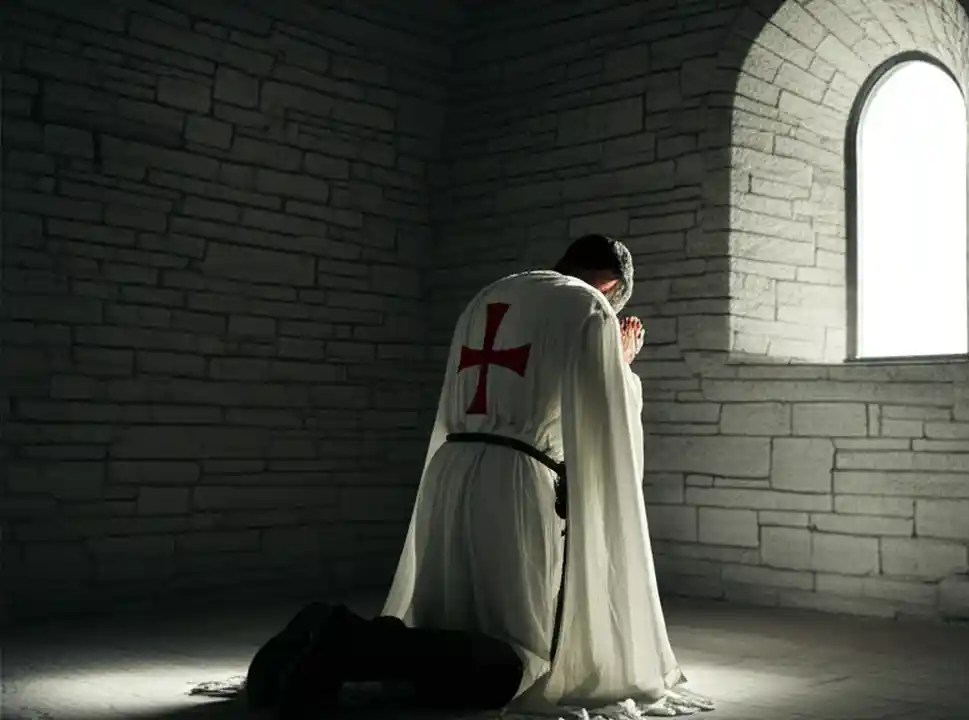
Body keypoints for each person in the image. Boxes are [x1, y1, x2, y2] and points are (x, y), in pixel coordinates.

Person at [245, 234, 690, 718]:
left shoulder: (490, 294)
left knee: (451, 614)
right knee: (518, 653)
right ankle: (348, 638)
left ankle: (354, 644)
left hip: (450, 471)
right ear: (609, 285)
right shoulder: (584, 304)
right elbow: (604, 420)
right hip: (515, 485)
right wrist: (621, 365)